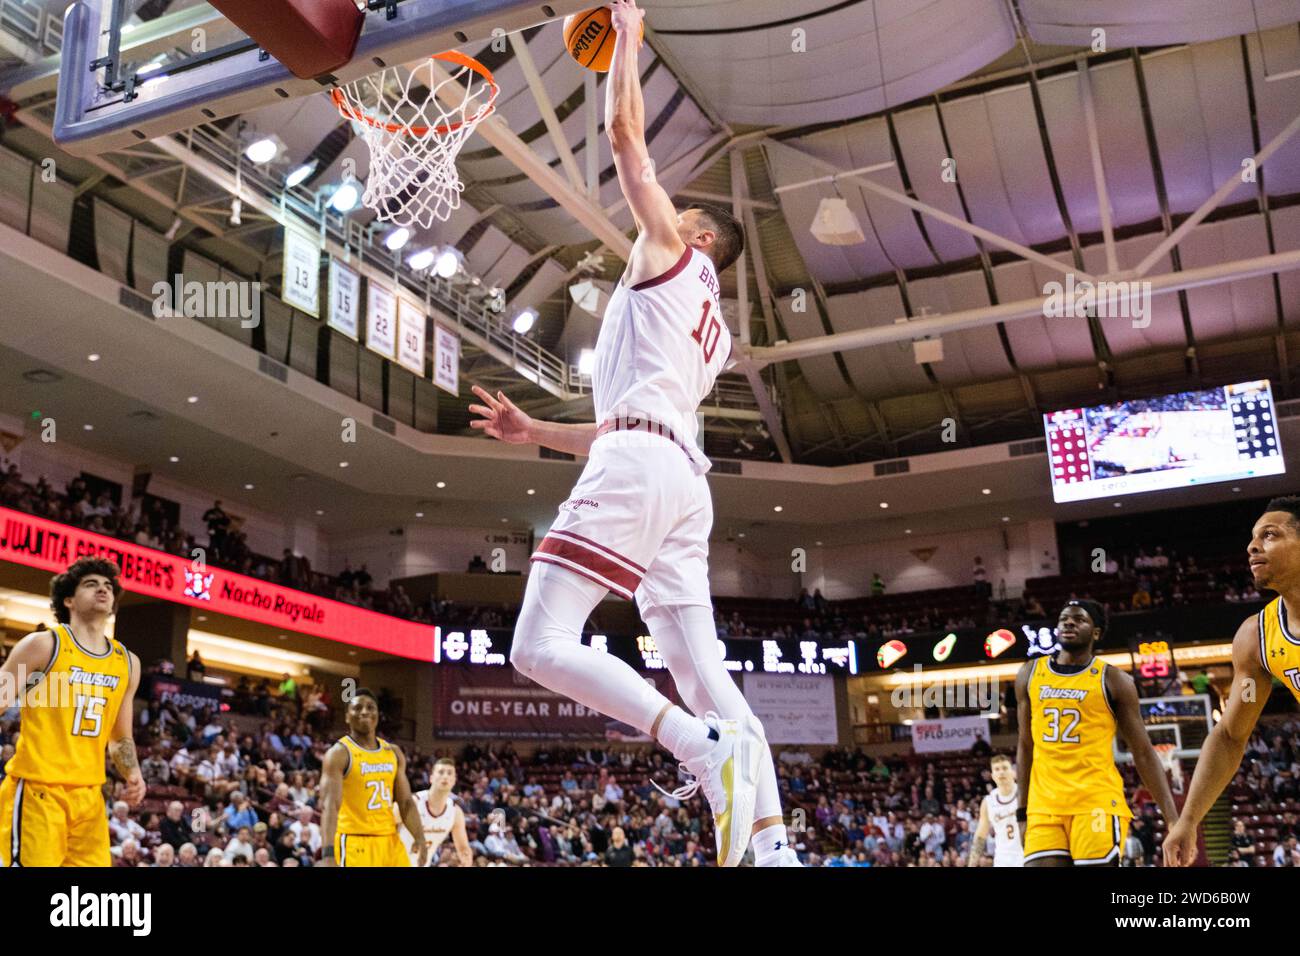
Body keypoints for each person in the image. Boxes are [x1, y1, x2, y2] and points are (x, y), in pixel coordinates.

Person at [467, 0, 792, 869]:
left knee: (537, 647)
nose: (665, 209)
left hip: (645, 464)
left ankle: (701, 751)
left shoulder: (667, 252)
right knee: (704, 672)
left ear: (697, 239)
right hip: (680, 479)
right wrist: (535, 428)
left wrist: (629, 43)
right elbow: (629, 422)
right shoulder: (713, 334)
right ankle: (775, 847)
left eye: (677, 213)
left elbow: (621, 136)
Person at [1167, 497, 1300, 865]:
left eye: (1269, 535)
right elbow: (1229, 735)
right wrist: (1189, 818)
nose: (1252, 546)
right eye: (1252, 538)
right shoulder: (1256, 637)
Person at [0, 557, 144, 866]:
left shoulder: (127, 662)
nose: (103, 590)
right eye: (91, 584)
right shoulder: (43, 645)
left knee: (83, 908)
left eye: (108, 586)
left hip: (90, 796)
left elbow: (120, 737)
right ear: (68, 600)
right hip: (39, 791)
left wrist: (132, 771)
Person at [1015, 600, 1179, 865]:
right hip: (1043, 808)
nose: (1068, 622)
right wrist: (1021, 812)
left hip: (1095, 805)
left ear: (1096, 632)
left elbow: (1143, 752)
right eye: (1063, 618)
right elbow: (1025, 746)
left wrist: (1173, 818)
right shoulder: (1029, 673)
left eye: (1079, 619)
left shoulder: (1114, 680)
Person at [318, 689, 425, 867]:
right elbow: (330, 806)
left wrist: (420, 837)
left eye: (370, 707)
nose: (365, 712)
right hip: (354, 842)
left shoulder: (393, 753)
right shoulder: (339, 754)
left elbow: (406, 802)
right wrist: (328, 854)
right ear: (347, 717)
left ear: (377, 714)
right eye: (357, 708)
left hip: (389, 841)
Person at [402, 757, 473, 867]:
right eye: (441, 772)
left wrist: (465, 859)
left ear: (454, 780)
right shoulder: (413, 803)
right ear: (431, 778)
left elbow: (463, 848)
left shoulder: (455, 813)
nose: (445, 776)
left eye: (449, 773)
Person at [968, 754, 1022, 867]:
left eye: (1005, 768)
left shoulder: (1024, 794)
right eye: (997, 769)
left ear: (1013, 772)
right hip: (1002, 860)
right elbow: (980, 835)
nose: (1001, 772)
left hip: (1026, 855)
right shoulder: (988, 802)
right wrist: (972, 862)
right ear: (992, 776)